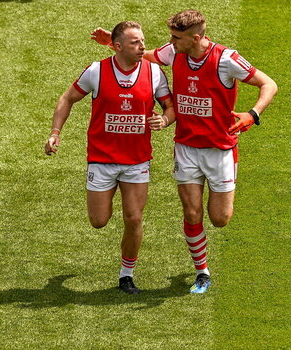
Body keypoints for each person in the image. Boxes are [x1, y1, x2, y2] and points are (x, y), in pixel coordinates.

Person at [92, 9, 278, 294]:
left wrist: (253, 114)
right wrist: (111, 43)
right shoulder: (175, 52)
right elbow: (146, 55)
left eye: (176, 37)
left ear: (196, 37)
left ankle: (203, 257)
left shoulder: (226, 59)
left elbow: (268, 84)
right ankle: (202, 272)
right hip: (187, 147)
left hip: (220, 149)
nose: (170, 42)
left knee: (219, 219)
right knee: (192, 213)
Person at [46, 21, 174, 295]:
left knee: (134, 217)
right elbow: (67, 98)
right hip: (102, 160)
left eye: (142, 41)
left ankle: (126, 276)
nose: (142, 47)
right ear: (117, 46)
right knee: (99, 220)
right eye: (135, 43)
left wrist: (164, 120)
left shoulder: (154, 73)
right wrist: (56, 132)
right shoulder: (97, 71)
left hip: (137, 160)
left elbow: (170, 106)